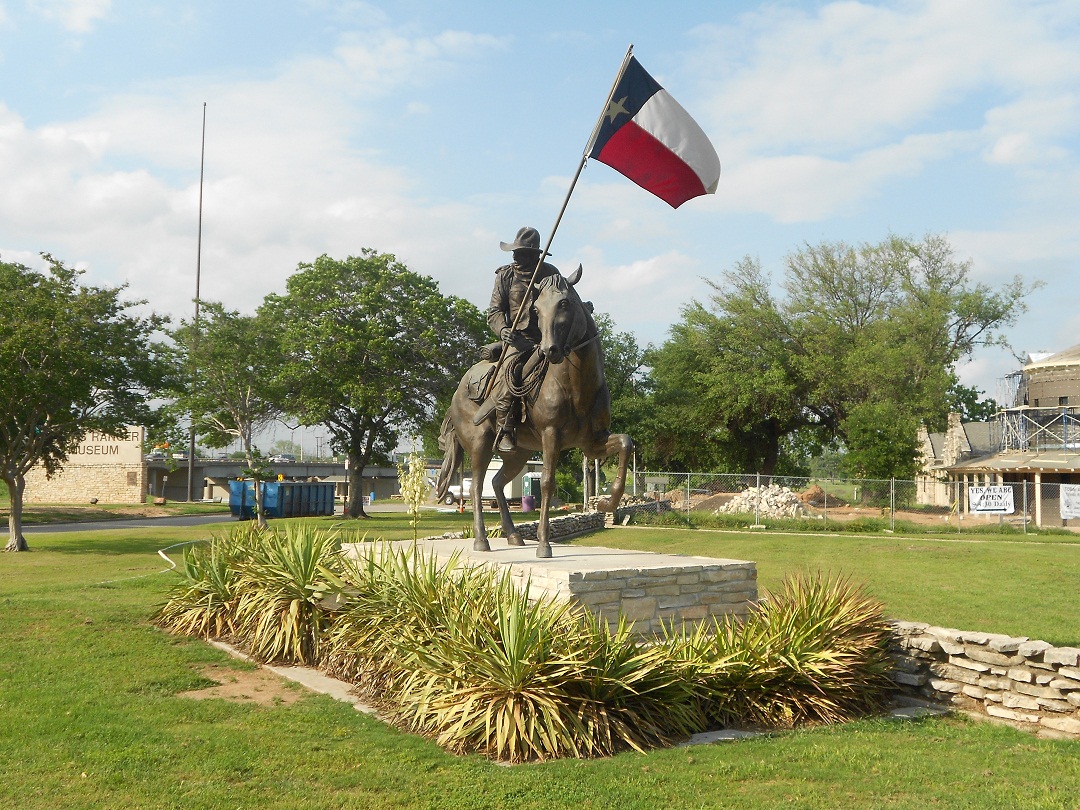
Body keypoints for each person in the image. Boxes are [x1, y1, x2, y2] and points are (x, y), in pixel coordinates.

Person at [487, 226, 559, 453]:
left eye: (520, 253)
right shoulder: (505, 276)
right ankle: (505, 429)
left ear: (533, 255)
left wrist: (582, 307)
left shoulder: (550, 274)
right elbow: (494, 312)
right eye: (514, 253)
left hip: (548, 338)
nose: (515, 257)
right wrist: (503, 330)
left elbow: (564, 300)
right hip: (518, 341)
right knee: (510, 375)